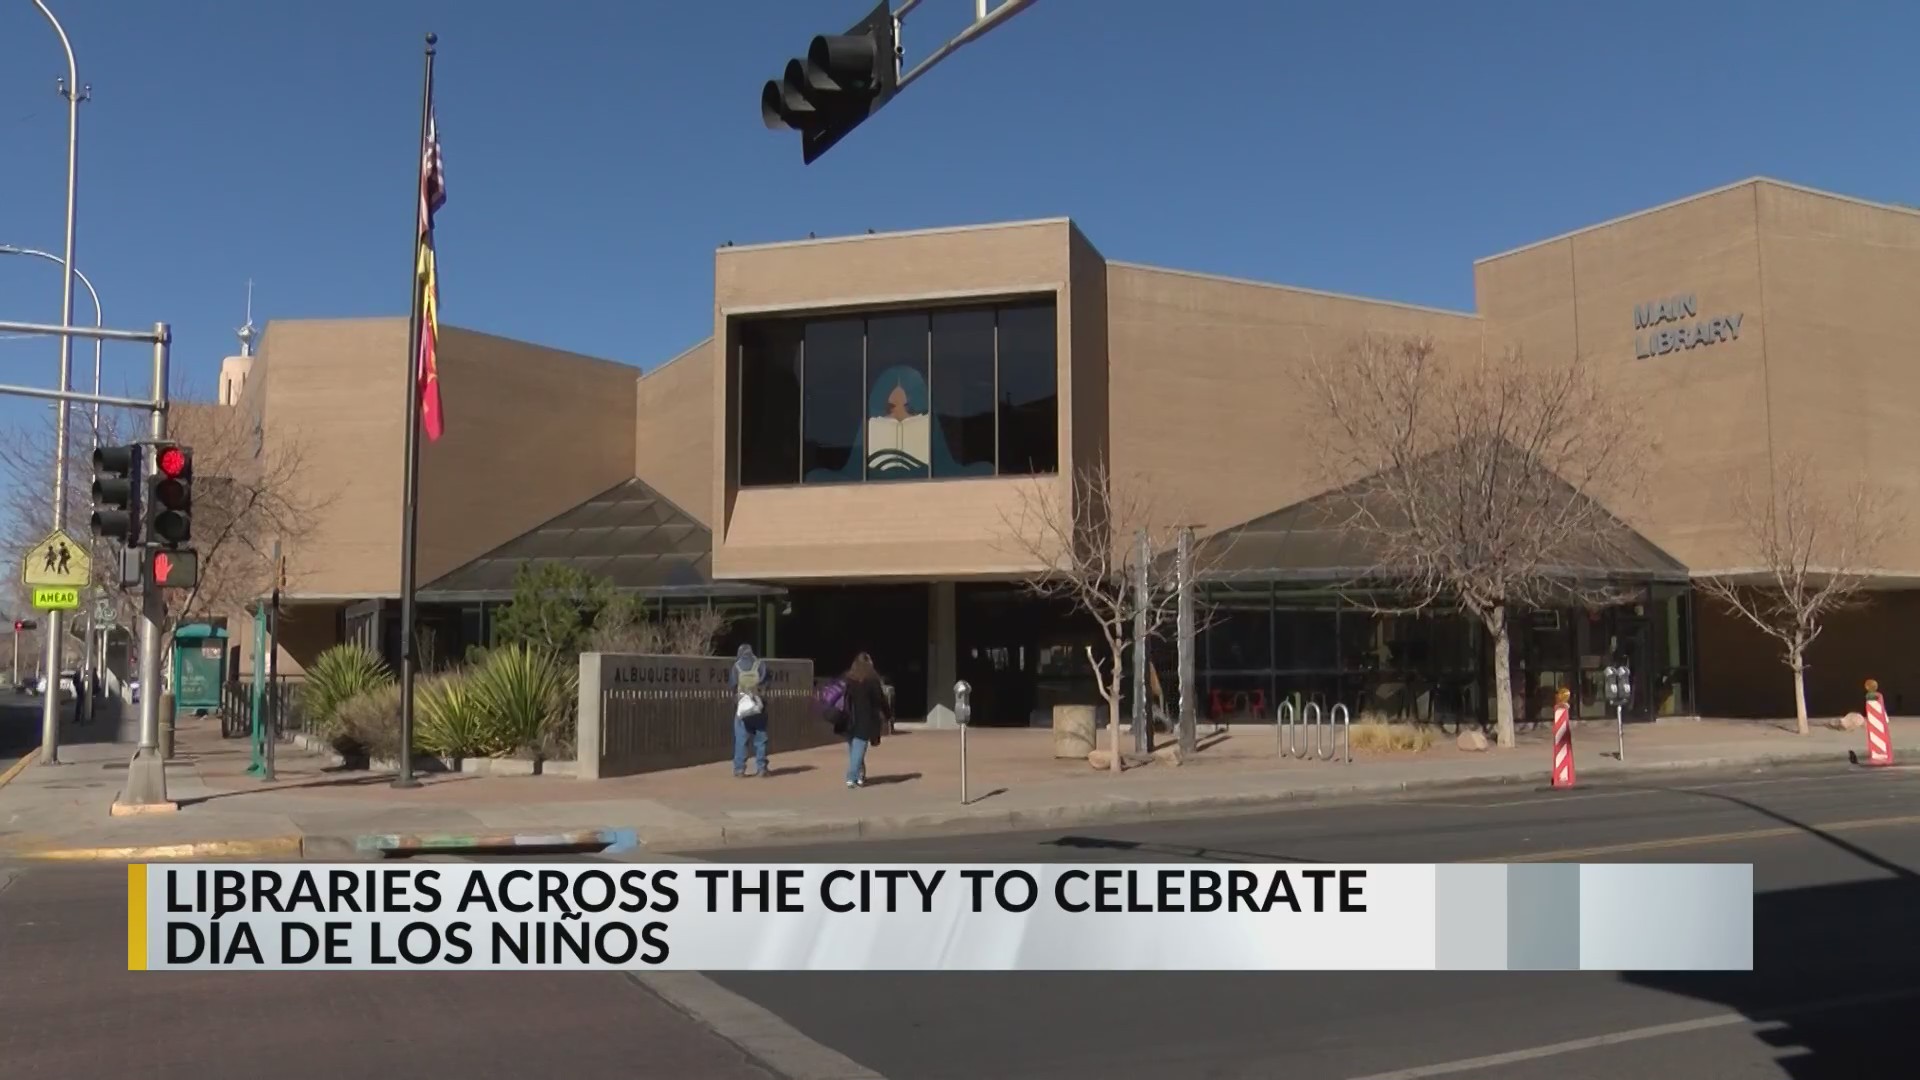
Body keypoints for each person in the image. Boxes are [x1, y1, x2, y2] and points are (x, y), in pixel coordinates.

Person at [842, 652, 891, 788]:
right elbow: (880, 700)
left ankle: (859, 776)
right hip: (864, 719)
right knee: (859, 748)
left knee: (854, 748)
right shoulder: (872, 680)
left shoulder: (848, 678)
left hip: (847, 718)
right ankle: (851, 777)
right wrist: (887, 715)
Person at [729, 644, 770, 778]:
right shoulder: (760, 665)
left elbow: (732, 686)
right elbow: (766, 684)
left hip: (743, 706)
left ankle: (739, 769)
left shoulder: (736, 666)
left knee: (741, 739)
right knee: (761, 739)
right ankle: (761, 768)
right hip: (758, 706)